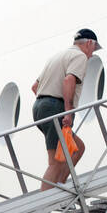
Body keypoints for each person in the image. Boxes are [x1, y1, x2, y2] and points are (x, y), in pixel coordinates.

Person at [32, 29, 100, 190]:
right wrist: (68, 111)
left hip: (40, 106)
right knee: (56, 162)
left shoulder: (57, 56)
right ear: (89, 43)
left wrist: (46, 102)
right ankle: (44, 207)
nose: (92, 55)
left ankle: (58, 189)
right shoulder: (80, 56)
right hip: (56, 108)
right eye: (94, 49)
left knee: (77, 149)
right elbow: (69, 80)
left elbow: (35, 87)